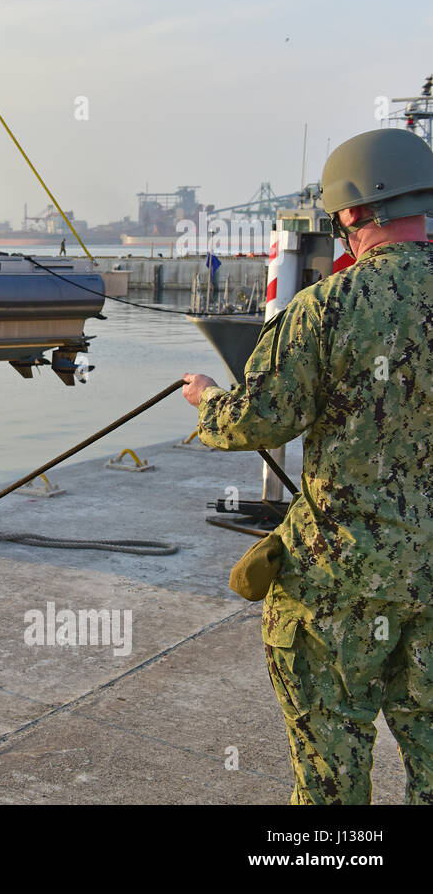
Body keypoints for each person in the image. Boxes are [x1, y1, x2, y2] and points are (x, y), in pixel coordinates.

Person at [181, 127, 433, 804]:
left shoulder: (326, 308)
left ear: (352, 213)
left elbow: (256, 421)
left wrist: (208, 401)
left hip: (337, 584)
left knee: (331, 770)